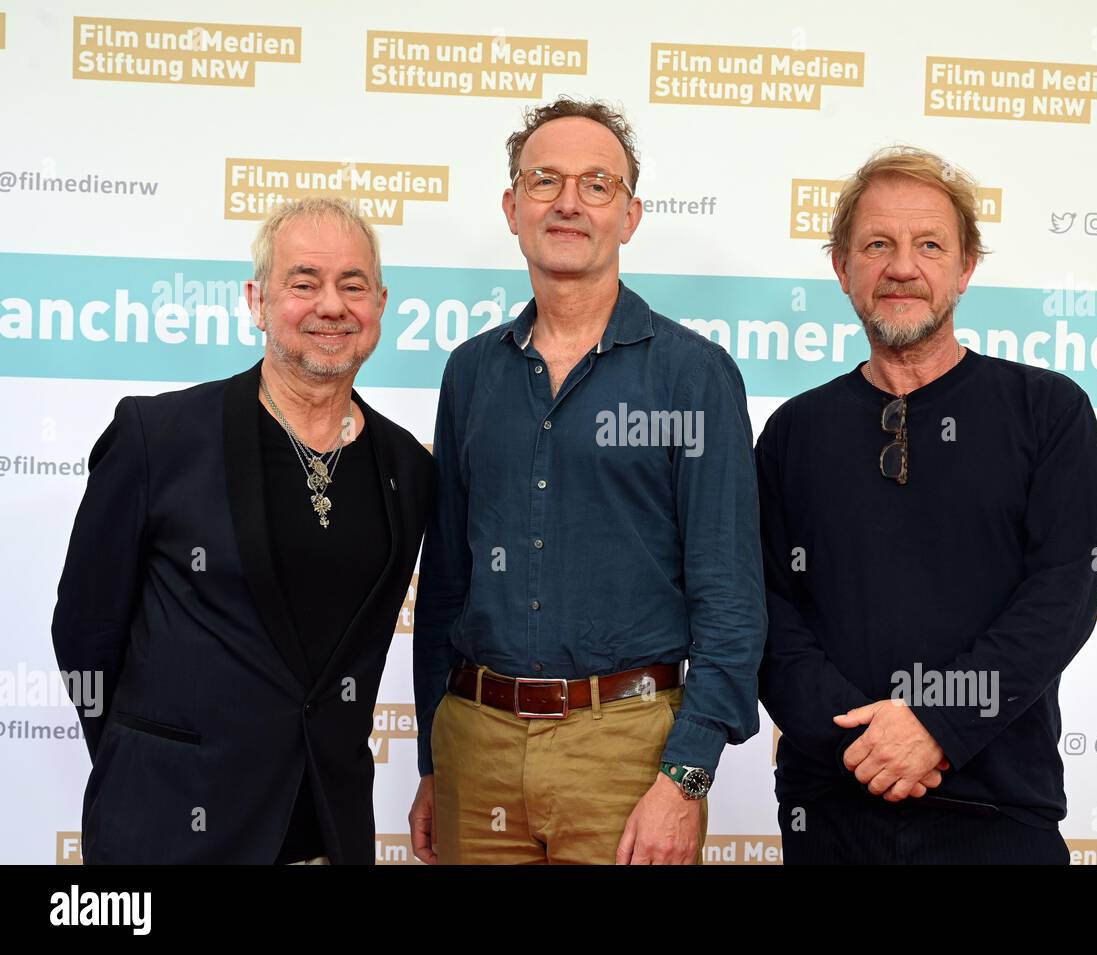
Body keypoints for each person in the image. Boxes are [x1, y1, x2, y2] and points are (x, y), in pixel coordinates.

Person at [408, 98, 765, 865]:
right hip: (477, 747)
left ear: (629, 215)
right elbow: (444, 581)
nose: (568, 202)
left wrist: (686, 777)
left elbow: (730, 597)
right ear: (512, 207)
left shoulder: (692, 375)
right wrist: (433, 762)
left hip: (631, 753)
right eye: (545, 181)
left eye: (596, 185)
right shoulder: (470, 373)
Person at [52, 196, 432, 864]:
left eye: (353, 285)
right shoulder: (158, 438)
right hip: (165, 827)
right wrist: (140, 752)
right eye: (304, 282)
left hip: (327, 830)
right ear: (257, 301)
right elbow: (84, 628)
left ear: (380, 304)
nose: (331, 306)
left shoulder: (407, 465)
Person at [757, 147, 1097, 864]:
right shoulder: (794, 432)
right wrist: (868, 745)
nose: (901, 267)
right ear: (842, 266)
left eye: (928, 245)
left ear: (966, 267)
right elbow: (765, 616)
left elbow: (1062, 595)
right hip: (831, 817)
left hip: (1001, 815)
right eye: (877, 244)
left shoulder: (1049, 412)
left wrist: (938, 727)